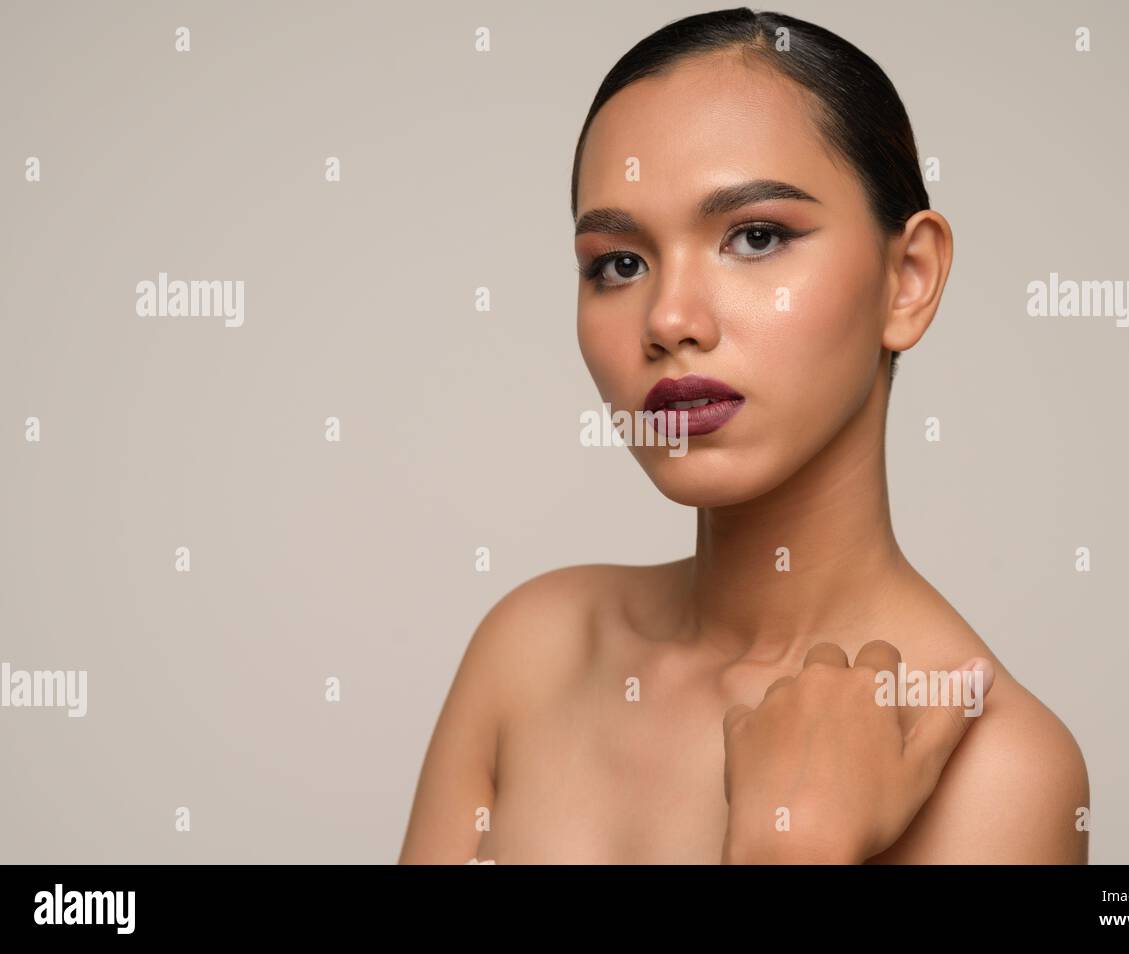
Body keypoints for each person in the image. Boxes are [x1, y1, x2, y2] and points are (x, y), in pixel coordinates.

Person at [400, 7, 1088, 864]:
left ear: (907, 280)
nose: (670, 319)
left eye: (755, 237)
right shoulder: (533, 650)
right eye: (619, 262)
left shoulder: (994, 770)